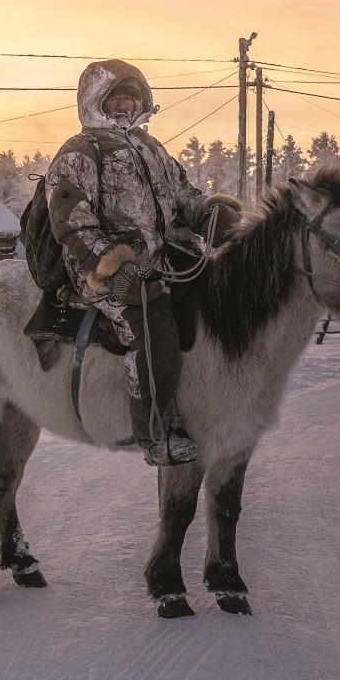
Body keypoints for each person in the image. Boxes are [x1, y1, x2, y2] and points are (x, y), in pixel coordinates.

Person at [47, 59, 240, 466]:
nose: (124, 106)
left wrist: (210, 215)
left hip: (163, 261)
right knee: (153, 325)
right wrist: (114, 268)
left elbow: (183, 196)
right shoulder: (79, 153)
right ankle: (157, 430)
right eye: (115, 98)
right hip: (102, 272)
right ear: (94, 101)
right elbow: (73, 223)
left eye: (132, 99)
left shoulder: (152, 149)